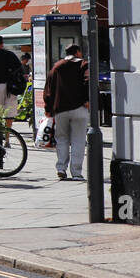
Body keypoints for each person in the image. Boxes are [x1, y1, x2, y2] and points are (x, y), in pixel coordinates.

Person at [44, 44, 90, 181]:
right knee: (78, 140)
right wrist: (87, 100)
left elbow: (48, 89)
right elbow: (88, 81)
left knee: (61, 139)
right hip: (79, 108)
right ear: (77, 52)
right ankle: (76, 172)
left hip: (60, 109)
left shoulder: (57, 66)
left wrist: (48, 108)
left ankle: (61, 168)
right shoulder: (83, 64)